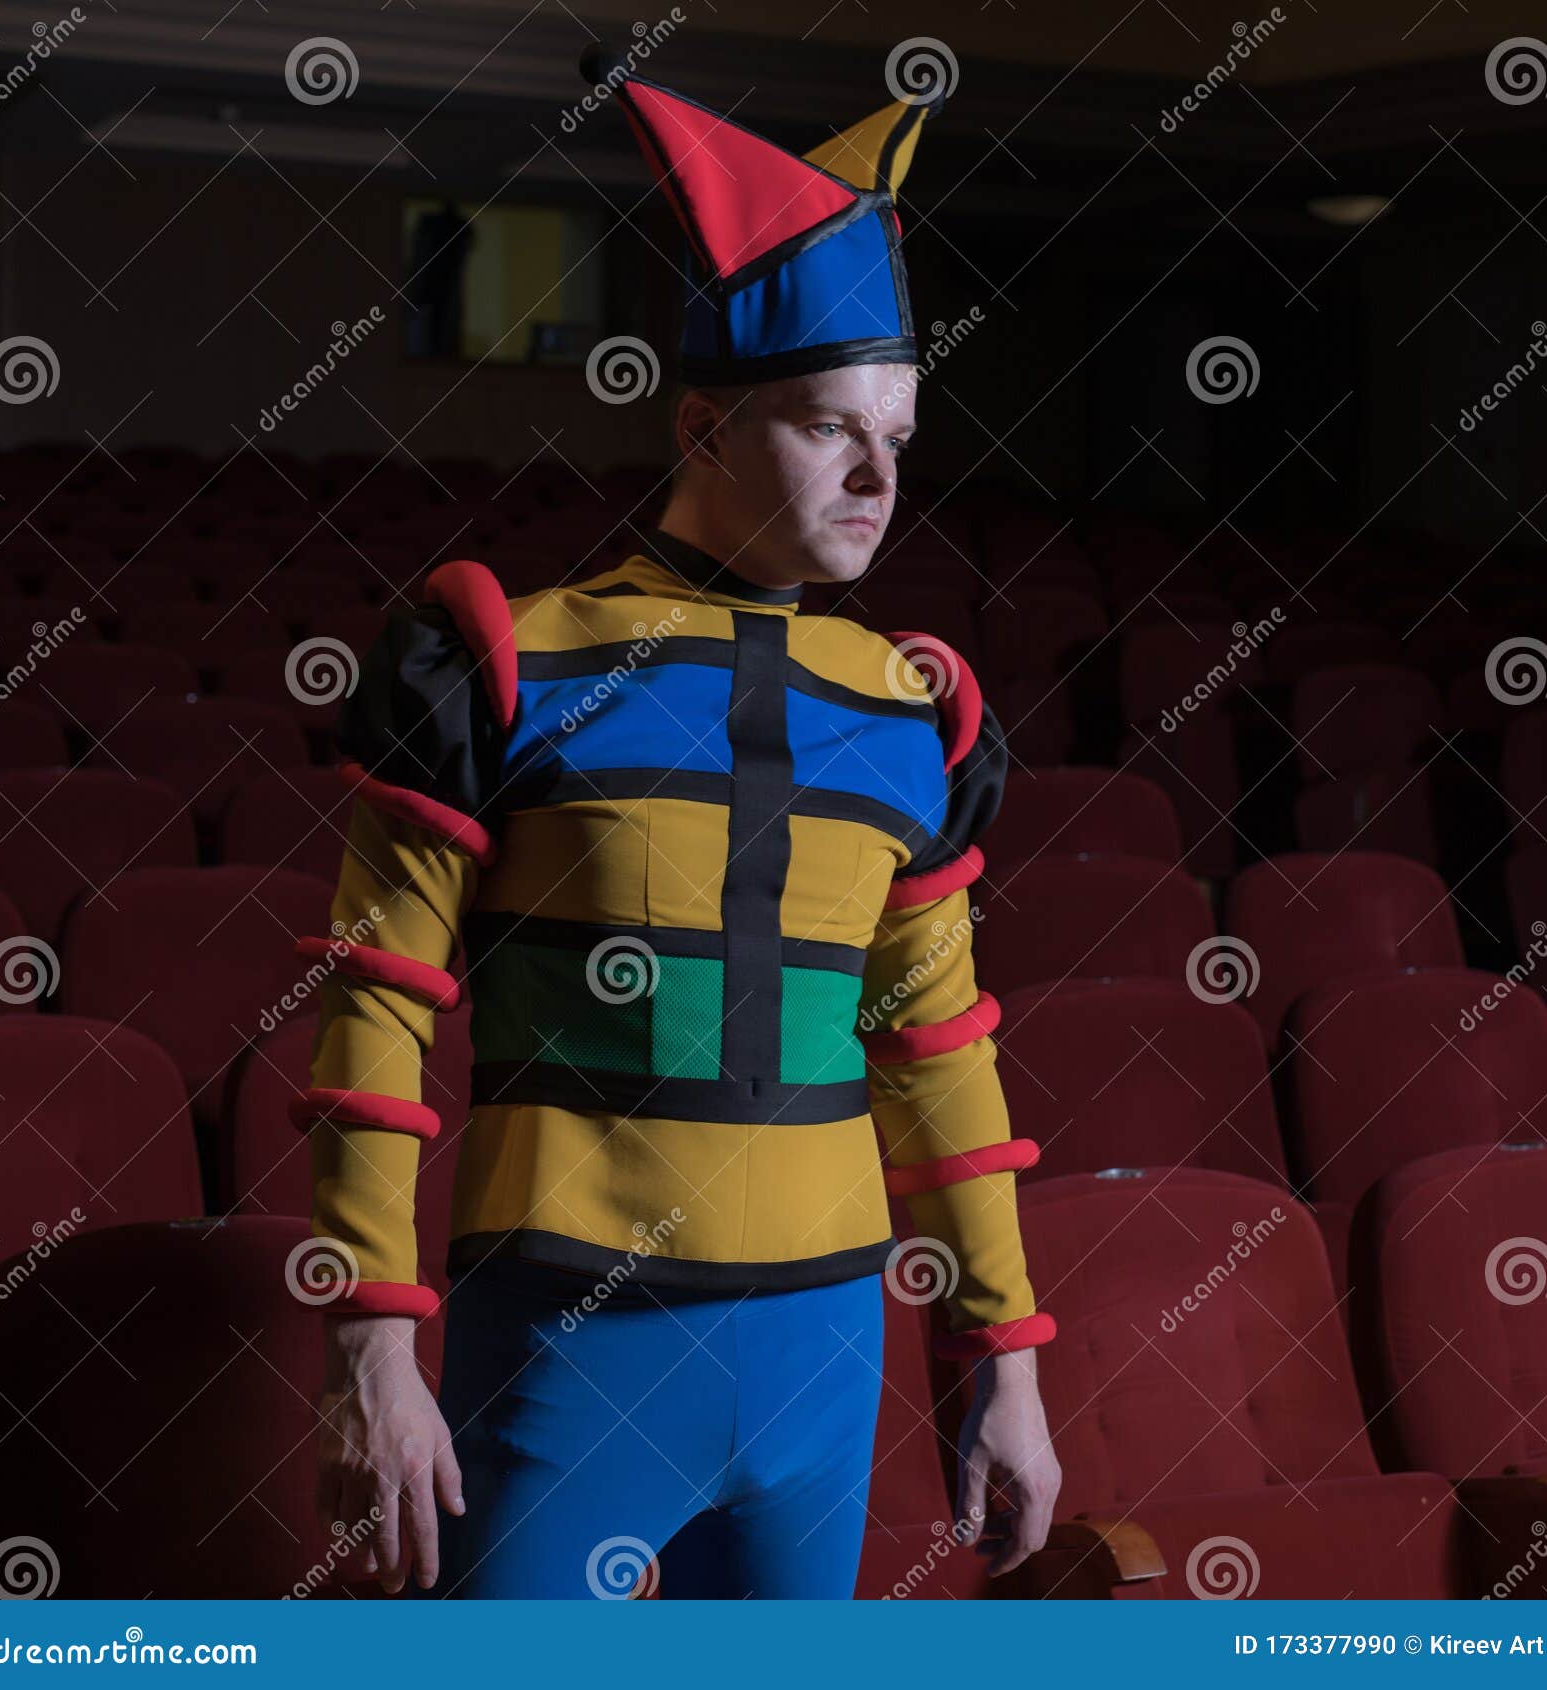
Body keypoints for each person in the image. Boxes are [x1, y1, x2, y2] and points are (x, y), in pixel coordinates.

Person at [295, 42, 1062, 1600]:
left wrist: (1006, 1359)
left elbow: (936, 1052)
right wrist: (375, 1342)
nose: (874, 476)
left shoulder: (915, 710)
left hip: (827, 1347)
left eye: (899, 440)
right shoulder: (502, 659)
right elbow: (379, 1008)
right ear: (701, 427)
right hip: (574, 1333)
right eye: (830, 428)